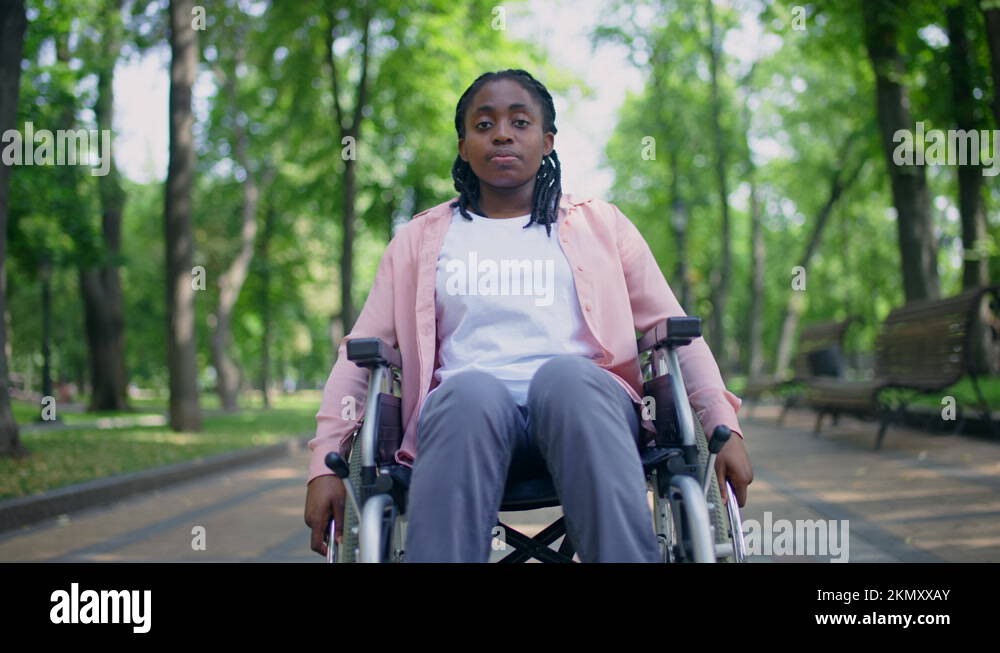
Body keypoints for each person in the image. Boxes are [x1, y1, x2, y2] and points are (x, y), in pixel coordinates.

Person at [304, 69, 752, 562]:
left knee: (566, 378)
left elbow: (674, 330)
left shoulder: (601, 224)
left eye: (520, 122)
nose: (501, 133)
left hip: (586, 416)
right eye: (484, 124)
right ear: (463, 145)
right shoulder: (418, 239)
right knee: (469, 390)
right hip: (464, 423)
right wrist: (325, 464)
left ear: (547, 141)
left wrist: (721, 426)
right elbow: (360, 351)